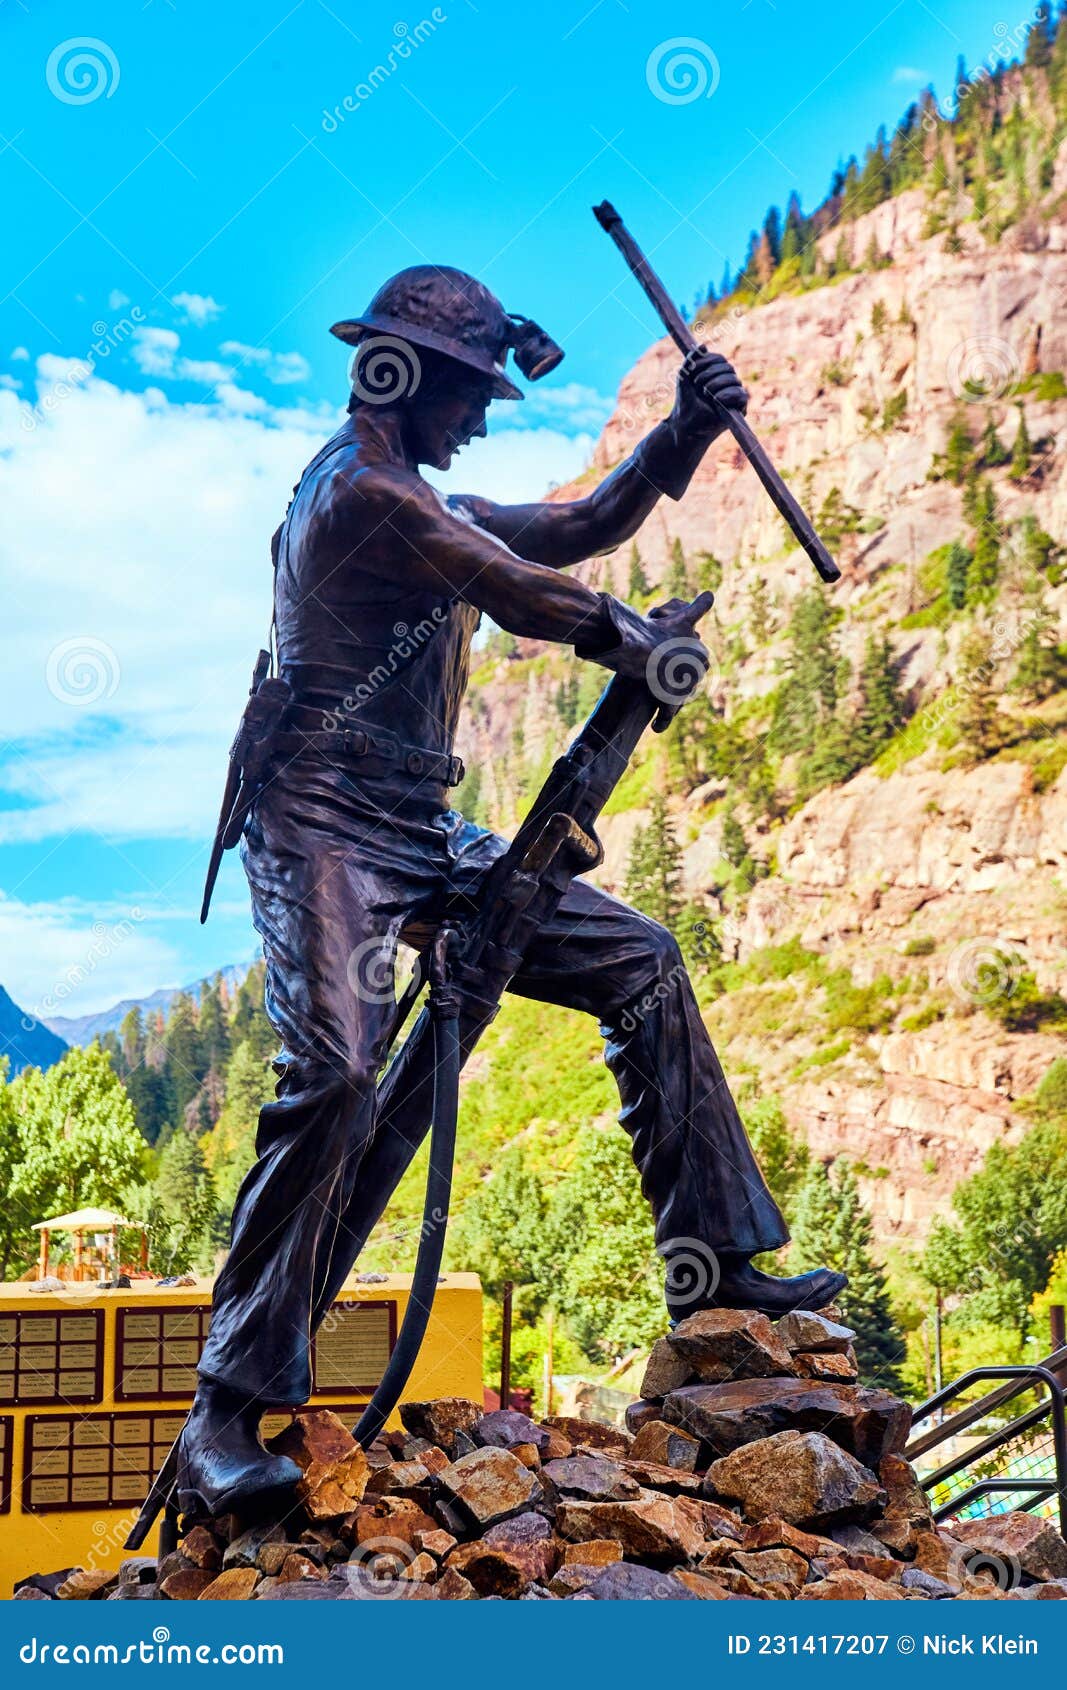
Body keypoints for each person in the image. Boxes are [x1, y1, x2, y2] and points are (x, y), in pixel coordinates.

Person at [183, 266, 845, 1517]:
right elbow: (526, 591)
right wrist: (624, 637)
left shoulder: (420, 491)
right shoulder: (360, 495)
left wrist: (678, 434)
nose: (484, 417)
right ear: (410, 376)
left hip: (419, 822)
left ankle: (713, 1270)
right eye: (473, 393)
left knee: (638, 962)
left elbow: (574, 528)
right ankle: (224, 1410)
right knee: (332, 1077)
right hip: (322, 820)